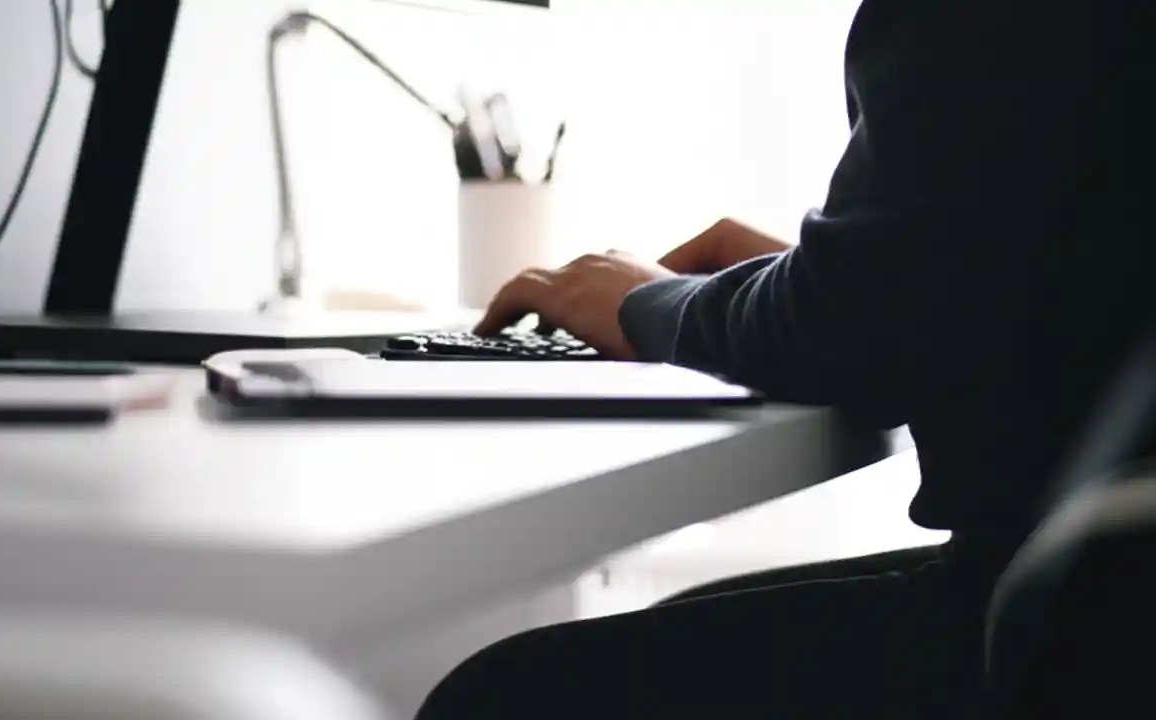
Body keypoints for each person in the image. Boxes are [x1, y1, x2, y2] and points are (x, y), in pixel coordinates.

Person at [417, 1, 1155, 717]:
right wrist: (818, 277)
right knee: (683, 625)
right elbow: (1065, 287)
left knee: (506, 697)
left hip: (1090, 622)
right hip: (1110, 573)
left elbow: (856, 338)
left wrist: (646, 302)